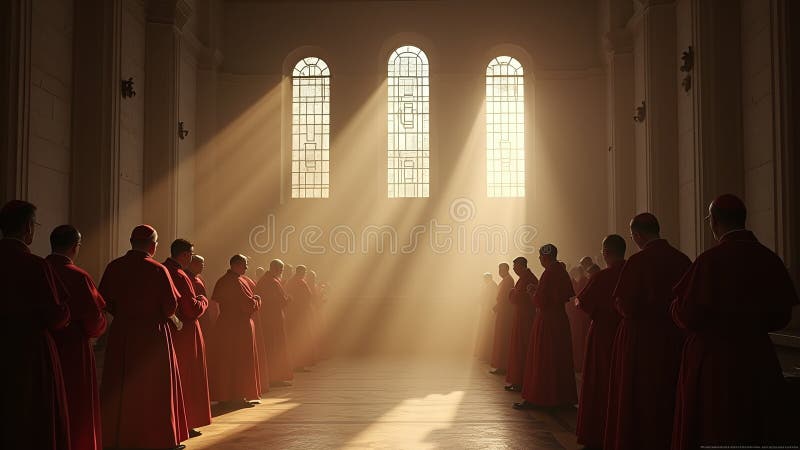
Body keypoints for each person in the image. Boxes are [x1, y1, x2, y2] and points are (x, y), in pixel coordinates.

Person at [671, 195, 799, 448]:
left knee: (717, 425)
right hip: (758, 357)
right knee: (757, 425)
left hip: (715, 362)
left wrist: (675, 308)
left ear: (715, 221)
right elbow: (782, 316)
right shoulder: (769, 258)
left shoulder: (710, 261)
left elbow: (689, 315)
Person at [603, 213, 691, 450]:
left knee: (639, 397)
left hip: (640, 341)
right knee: (670, 393)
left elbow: (625, 305)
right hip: (674, 338)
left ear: (639, 234)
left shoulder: (638, 262)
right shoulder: (682, 259)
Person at [99, 224, 188, 450]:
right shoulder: (158, 269)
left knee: (122, 384)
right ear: (153, 245)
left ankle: (119, 436)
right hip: (153, 335)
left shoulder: (114, 266)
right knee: (154, 387)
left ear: (131, 241)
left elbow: (105, 301)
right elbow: (169, 307)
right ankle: (158, 437)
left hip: (123, 333)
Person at [0, 200, 70, 450]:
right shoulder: (36, 265)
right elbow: (56, 315)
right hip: (30, 351)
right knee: (32, 417)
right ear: (28, 228)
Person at [46, 225, 107, 450]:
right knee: (77, 402)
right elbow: (94, 320)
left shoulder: (40, 268)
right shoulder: (78, 276)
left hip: (41, 345)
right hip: (73, 347)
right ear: (75, 247)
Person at [574, 234, 626, 449]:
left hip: (603, 332)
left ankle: (598, 430)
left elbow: (583, 303)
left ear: (605, 252)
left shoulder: (602, 277)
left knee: (599, 378)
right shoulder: (630, 270)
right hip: (625, 332)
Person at [515, 244, 576, 409]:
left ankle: (540, 397)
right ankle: (561, 398)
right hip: (560, 319)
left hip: (546, 320)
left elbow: (540, 301)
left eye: (540, 257)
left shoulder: (549, 272)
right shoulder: (561, 270)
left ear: (545, 257)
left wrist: (532, 292)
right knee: (559, 358)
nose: (539, 259)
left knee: (541, 358)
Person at [163, 239, 211, 437]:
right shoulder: (180, 275)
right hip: (186, 334)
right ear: (183, 255)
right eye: (191, 254)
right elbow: (191, 309)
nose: (191, 258)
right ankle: (186, 422)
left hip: (166, 332)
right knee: (188, 376)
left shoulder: (162, 269)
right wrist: (203, 301)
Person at [211, 254, 262, 406]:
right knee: (240, 360)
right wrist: (257, 300)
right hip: (239, 326)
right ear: (237, 264)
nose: (246, 268)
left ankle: (225, 395)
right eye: (244, 264)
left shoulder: (223, 280)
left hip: (225, 324)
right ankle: (238, 396)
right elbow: (247, 305)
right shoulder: (237, 282)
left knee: (226, 360)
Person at [254, 259, 295, 386]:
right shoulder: (270, 282)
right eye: (281, 270)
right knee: (274, 347)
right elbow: (276, 301)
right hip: (272, 320)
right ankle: (274, 378)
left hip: (272, 318)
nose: (282, 272)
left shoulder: (268, 280)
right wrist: (287, 300)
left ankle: (275, 377)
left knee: (274, 346)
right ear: (276, 269)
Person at [504, 256, 538, 392]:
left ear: (521, 266)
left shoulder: (528, 278)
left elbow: (521, 297)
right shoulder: (524, 277)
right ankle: (517, 380)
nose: (513, 269)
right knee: (518, 347)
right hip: (521, 316)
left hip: (526, 318)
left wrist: (511, 294)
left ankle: (521, 381)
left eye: (515, 266)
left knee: (522, 348)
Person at [285, 265, 316, 370]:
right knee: (299, 337)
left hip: (294, 314)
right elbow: (307, 296)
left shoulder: (291, 281)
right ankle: (298, 364)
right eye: (304, 272)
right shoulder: (299, 282)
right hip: (298, 314)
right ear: (301, 272)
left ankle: (297, 363)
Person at [490, 262, 515, 375]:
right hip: (502, 312)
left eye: (501, 269)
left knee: (503, 338)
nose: (500, 272)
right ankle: (499, 364)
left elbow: (505, 298)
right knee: (500, 338)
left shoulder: (508, 280)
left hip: (505, 313)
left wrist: (497, 307)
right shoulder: (505, 280)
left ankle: (503, 365)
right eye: (499, 270)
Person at [566, 265, 590, 372]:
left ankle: (579, 364)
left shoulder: (583, 281)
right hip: (577, 315)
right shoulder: (580, 281)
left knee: (579, 340)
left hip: (579, 315)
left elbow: (577, 297)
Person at [188, 255, 219, 333]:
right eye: (201, 264)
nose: (203, 266)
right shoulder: (187, 278)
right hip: (194, 313)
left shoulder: (199, 278)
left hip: (203, 311)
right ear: (193, 264)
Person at [475, 272, 497, 361]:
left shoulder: (492, 286)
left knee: (487, 332)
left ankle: (486, 354)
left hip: (489, 311)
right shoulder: (488, 285)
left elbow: (492, 299)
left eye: (485, 278)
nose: (484, 280)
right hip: (486, 310)